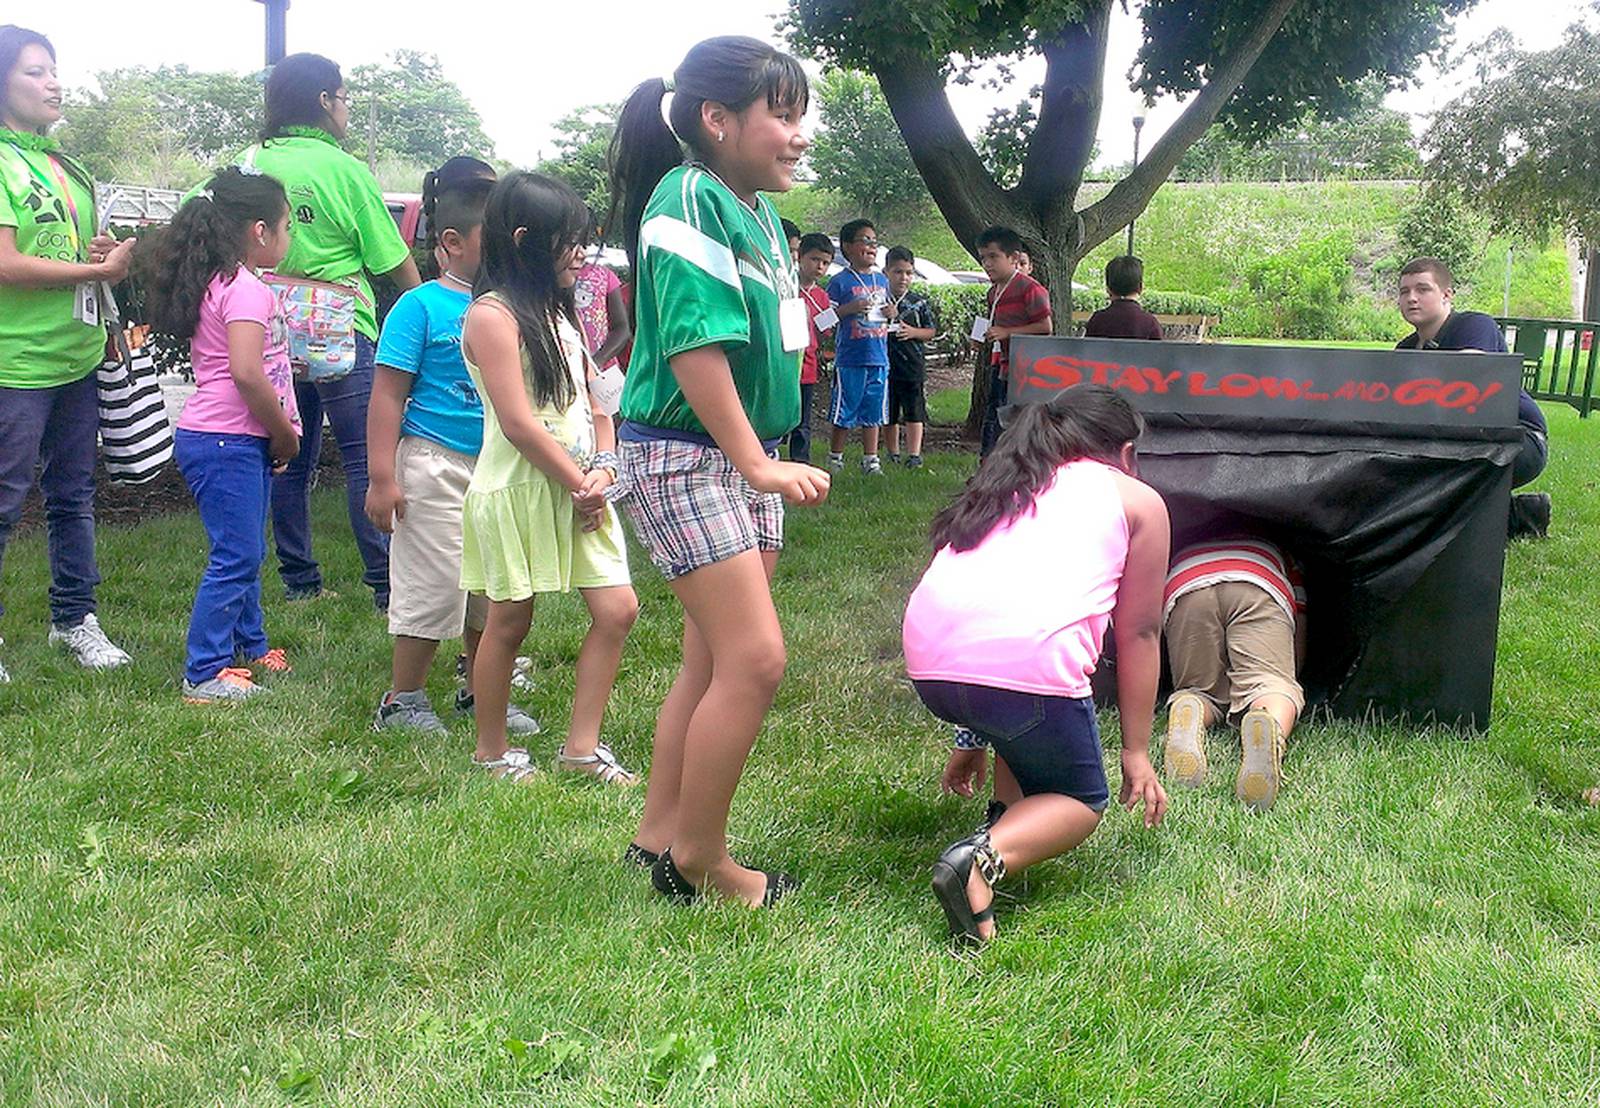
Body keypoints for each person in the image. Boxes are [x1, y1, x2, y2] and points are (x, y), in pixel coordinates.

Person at [607, 35, 830, 905]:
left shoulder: (759, 214)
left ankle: (659, 835)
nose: (798, 133)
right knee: (755, 658)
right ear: (717, 119)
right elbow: (697, 346)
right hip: (688, 455)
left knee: (712, 660)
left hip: (744, 456)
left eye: (799, 112)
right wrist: (754, 462)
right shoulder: (689, 198)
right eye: (783, 112)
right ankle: (700, 862)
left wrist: (761, 459)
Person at [903, 384, 1168, 943]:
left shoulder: (1003, 484)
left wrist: (969, 740)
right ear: (1125, 453)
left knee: (1022, 730)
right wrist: (1137, 752)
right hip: (1026, 674)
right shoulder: (1136, 499)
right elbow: (1140, 632)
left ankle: (1005, 823)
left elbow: (974, 623)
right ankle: (980, 862)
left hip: (929, 666)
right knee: (1080, 799)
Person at [459, 171, 640, 784]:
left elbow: (598, 401)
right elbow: (518, 423)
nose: (582, 253)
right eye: (570, 241)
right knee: (509, 620)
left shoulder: (562, 314)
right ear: (523, 238)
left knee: (617, 609)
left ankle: (581, 749)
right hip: (520, 488)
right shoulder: (492, 315)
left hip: (580, 485)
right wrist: (578, 482)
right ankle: (491, 753)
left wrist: (605, 468)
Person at [365, 157, 542, 738]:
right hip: (433, 466)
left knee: (493, 586)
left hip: (496, 467)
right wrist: (382, 477)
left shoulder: (513, 309)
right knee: (431, 583)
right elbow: (388, 395)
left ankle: (480, 687)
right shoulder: (419, 308)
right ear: (451, 242)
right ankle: (404, 698)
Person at [241, 53, 422, 609]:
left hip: (266, 326)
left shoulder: (248, 161)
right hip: (343, 330)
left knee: (286, 453)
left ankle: (299, 581)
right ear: (324, 101)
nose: (345, 110)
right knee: (365, 459)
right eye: (343, 98)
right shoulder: (345, 170)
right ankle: (386, 585)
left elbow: (203, 227)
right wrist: (426, 308)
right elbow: (392, 258)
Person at [0, 24, 138, 681]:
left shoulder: (65, 165)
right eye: (34, 71)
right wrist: (95, 274)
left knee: (72, 496)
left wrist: (103, 253)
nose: (53, 81)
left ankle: (74, 619)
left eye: (54, 69)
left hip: (77, 360)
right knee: (4, 499)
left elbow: (69, 248)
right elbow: (5, 264)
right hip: (14, 365)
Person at [148, 169, 300, 703]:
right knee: (236, 555)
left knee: (244, 548)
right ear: (260, 231)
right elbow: (247, 373)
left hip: (226, 439)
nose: (290, 236)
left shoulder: (219, 280)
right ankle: (203, 672)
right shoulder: (246, 291)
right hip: (226, 440)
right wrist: (283, 434)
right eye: (286, 225)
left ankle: (250, 646)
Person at [1395, 256, 1551, 539]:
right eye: (1404, 292)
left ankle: (1515, 517)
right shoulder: (1405, 348)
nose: (1411, 298)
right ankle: (1522, 511)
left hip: (1517, 438)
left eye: (1422, 289)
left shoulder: (1474, 325)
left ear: (1447, 295)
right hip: (1451, 442)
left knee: (1439, 479)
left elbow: (1465, 375)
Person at [1161, 537, 1305, 813]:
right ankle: (1269, 725)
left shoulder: (1188, 536)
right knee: (1270, 682)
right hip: (1258, 580)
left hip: (1185, 580)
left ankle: (1190, 705)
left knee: (1201, 689)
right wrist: (1287, 677)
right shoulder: (1282, 550)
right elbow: (1299, 623)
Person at [974, 226, 1052, 457]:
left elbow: (1045, 327)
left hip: (1024, 369)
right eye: (983, 258)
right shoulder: (993, 291)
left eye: (993, 257)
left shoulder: (1031, 289)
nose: (987, 264)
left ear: (1014, 258)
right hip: (1000, 363)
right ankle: (987, 465)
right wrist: (983, 338)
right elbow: (995, 325)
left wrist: (1008, 332)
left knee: (1015, 420)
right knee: (993, 416)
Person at [826, 218, 893, 475]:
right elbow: (826, 319)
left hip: (878, 356)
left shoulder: (882, 280)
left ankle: (871, 459)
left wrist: (891, 312)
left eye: (875, 241)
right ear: (848, 247)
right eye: (865, 240)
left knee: (874, 411)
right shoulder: (840, 282)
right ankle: (835, 457)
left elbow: (888, 315)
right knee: (845, 408)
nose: (871, 246)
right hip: (850, 358)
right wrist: (850, 309)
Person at [883, 245, 936, 468]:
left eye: (908, 273)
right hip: (885, 363)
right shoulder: (879, 299)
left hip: (912, 365)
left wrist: (913, 332)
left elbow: (931, 331)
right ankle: (892, 452)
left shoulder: (919, 301)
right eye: (897, 272)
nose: (903, 277)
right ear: (886, 272)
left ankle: (914, 454)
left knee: (914, 411)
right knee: (889, 411)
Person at [789, 231, 834, 464]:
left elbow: (825, 331)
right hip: (784, 362)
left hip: (807, 365)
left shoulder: (822, 296)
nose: (819, 266)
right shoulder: (787, 287)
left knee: (803, 418)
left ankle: (800, 461)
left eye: (825, 263)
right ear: (800, 257)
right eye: (814, 259)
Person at [573, 233, 631, 370]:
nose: (580, 252)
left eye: (583, 244)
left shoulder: (604, 276)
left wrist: (597, 361)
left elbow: (622, 328)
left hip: (604, 373)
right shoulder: (554, 281)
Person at [1084, 255, 1163, 340]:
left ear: (1108, 289)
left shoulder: (1097, 320)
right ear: (1140, 288)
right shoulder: (1150, 323)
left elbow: (1088, 351)